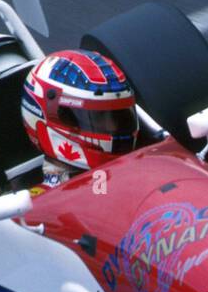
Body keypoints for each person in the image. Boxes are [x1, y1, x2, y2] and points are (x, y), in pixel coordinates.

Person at [19, 49, 139, 192]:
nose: (113, 126)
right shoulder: (36, 204)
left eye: (118, 116)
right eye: (99, 118)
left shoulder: (145, 164)